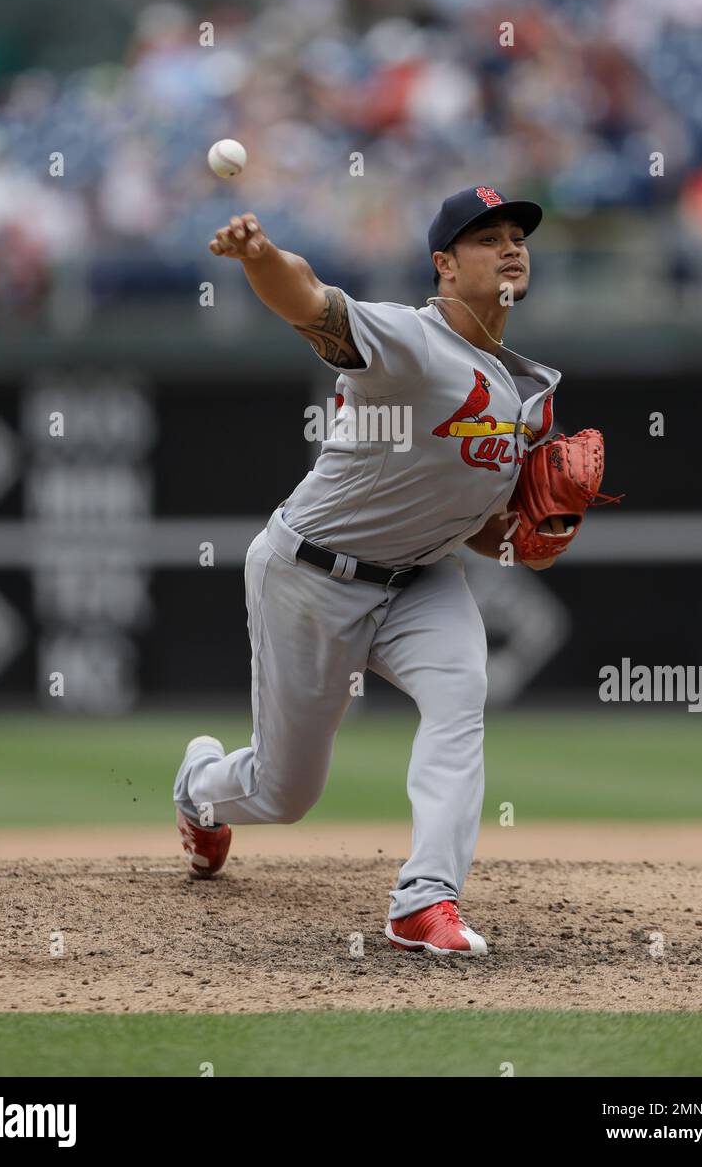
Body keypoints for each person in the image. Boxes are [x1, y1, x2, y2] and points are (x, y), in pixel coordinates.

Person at [174, 185, 568, 956]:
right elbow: (313, 304)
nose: (511, 246)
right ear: (444, 268)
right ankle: (200, 790)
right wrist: (259, 256)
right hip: (313, 573)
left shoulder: (532, 391)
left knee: (461, 694)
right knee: (286, 793)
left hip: (421, 577)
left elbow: (484, 532)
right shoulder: (409, 343)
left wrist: (529, 538)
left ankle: (424, 901)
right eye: (486, 238)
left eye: (517, 234)